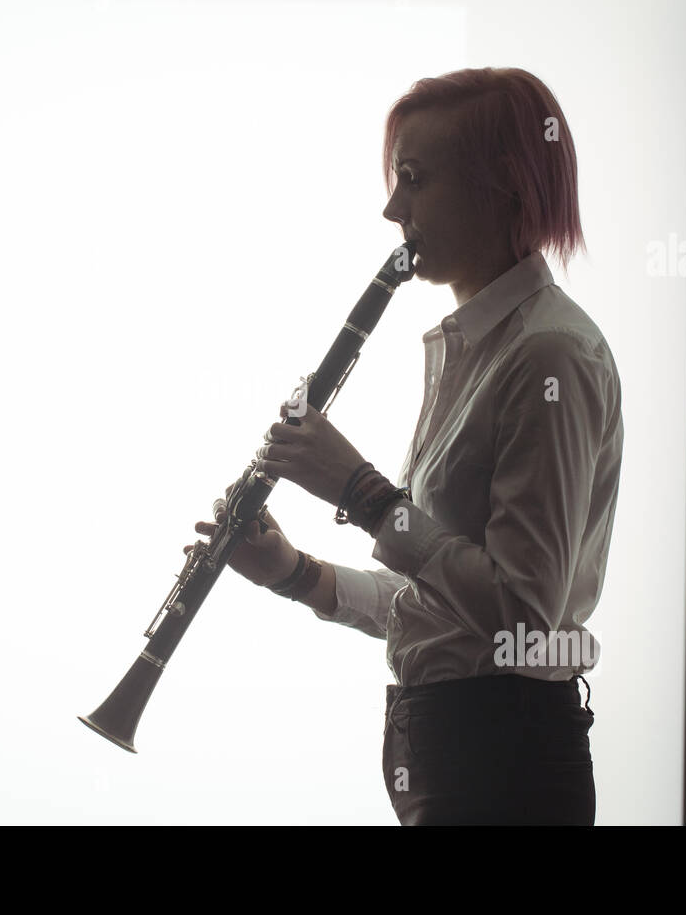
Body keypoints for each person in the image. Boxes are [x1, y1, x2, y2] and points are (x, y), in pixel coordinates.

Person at [187, 67, 623, 825]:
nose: (393, 208)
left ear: (502, 186)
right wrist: (294, 574)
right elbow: (449, 607)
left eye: (414, 181)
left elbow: (522, 615)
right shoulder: (473, 351)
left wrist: (361, 491)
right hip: (455, 747)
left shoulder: (547, 356)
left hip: (503, 761)